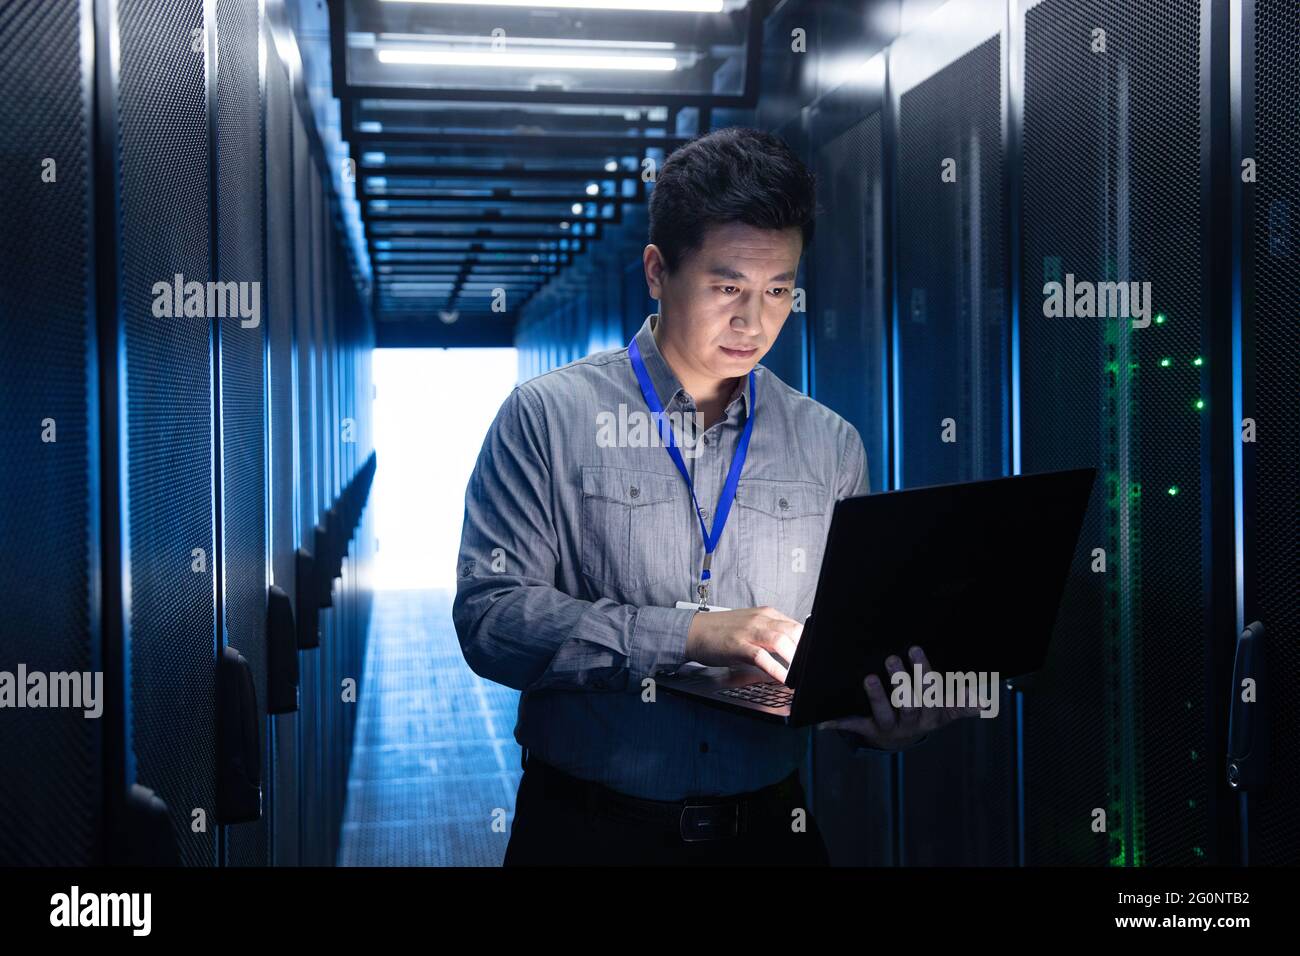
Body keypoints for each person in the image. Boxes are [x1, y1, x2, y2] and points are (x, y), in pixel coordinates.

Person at [453, 127, 975, 866]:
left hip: (768, 835)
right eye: (727, 286)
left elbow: (842, 644)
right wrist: (691, 634)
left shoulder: (830, 444)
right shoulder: (547, 418)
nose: (754, 322)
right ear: (658, 272)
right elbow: (490, 619)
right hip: (588, 835)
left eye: (779, 291)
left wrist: (884, 711)